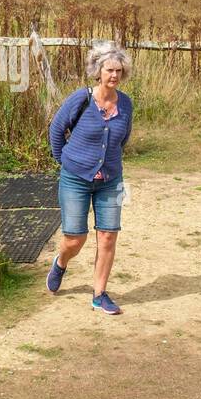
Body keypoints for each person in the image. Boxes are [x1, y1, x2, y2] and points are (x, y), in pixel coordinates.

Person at [45, 41, 133, 315]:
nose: (114, 76)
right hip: (75, 179)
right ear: (98, 71)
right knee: (76, 238)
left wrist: (107, 164)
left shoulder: (126, 104)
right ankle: (61, 262)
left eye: (119, 71)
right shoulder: (80, 99)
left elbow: (123, 139)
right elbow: (56, 131)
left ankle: (99, 294)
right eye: (109, 70)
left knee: (108, 236)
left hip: (110, 181)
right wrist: (65, 162)